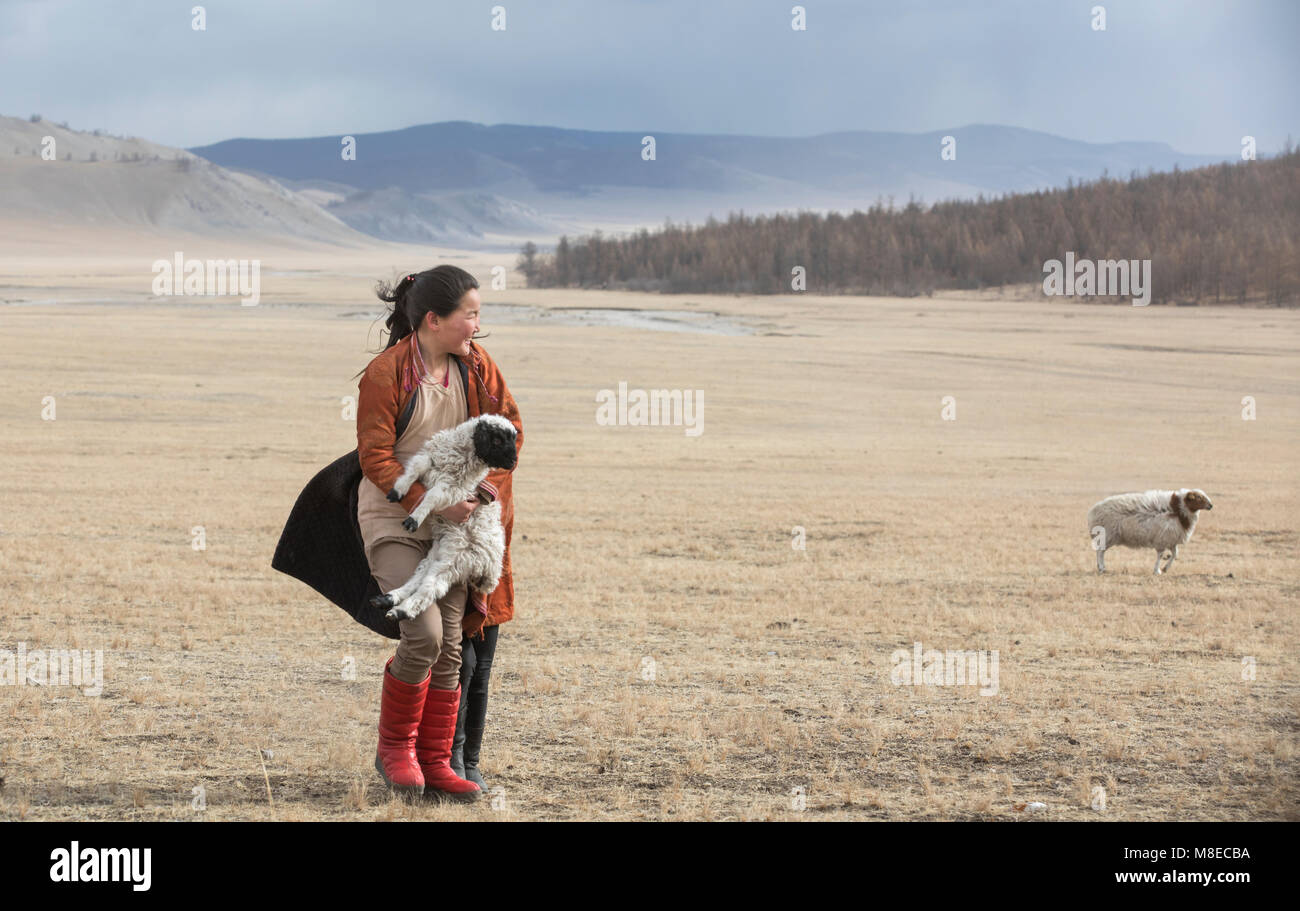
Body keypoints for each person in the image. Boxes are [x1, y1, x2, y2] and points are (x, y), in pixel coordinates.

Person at [353, 264, 523, 801]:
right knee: (423, 633)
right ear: (433, 319)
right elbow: (376, 456)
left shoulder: (476, 367)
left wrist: (482, 490)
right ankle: (395, 750)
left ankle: (434, 761)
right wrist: (430, 502)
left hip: (457, 522)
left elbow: (509, 431)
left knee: (451, 645)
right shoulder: (386, 374)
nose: (476, 325)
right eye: (469, 314)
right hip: (396, 515)